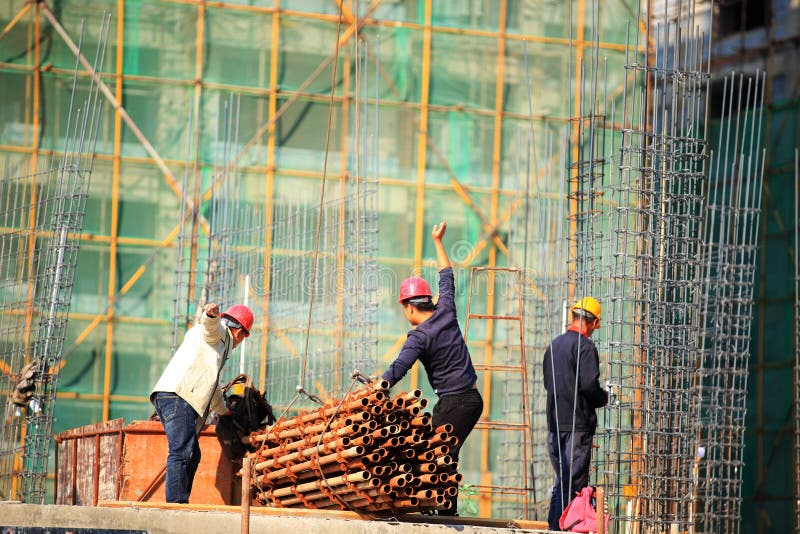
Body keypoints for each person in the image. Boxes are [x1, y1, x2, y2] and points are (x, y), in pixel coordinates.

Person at [381, 220, 483, 516]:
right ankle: (444, 508)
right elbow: (446, 276)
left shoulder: (419, 336)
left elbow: (400, 366)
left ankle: (445, 512)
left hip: (457, 400)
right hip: (468, 400)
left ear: (410, 307)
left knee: (437, 450)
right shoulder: (446, 310)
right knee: (442, 449)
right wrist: (438, 240)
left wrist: (380, 387)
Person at [151, 302, 254, 503]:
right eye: (242, 338)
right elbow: (210, 328)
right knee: (182, 451)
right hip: (178, 396)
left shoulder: (215, 348)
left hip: (172, 396)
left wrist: (224, 411)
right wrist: (211, 315)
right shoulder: (220, 334)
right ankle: (176, 505)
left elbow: (212, 386)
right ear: (240, 333)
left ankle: (181, 501)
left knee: (193, 454)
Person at [542, 296, 609, 530]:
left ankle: (554, 526)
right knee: (573, 484)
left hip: (554, 427)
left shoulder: (554, 346)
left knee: (563, 481)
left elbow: (548, 384)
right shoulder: (585, 347)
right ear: (592, 323)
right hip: (576, 428)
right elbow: (589, 386)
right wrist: (604, 397)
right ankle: (564, 528)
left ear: (573, 317)